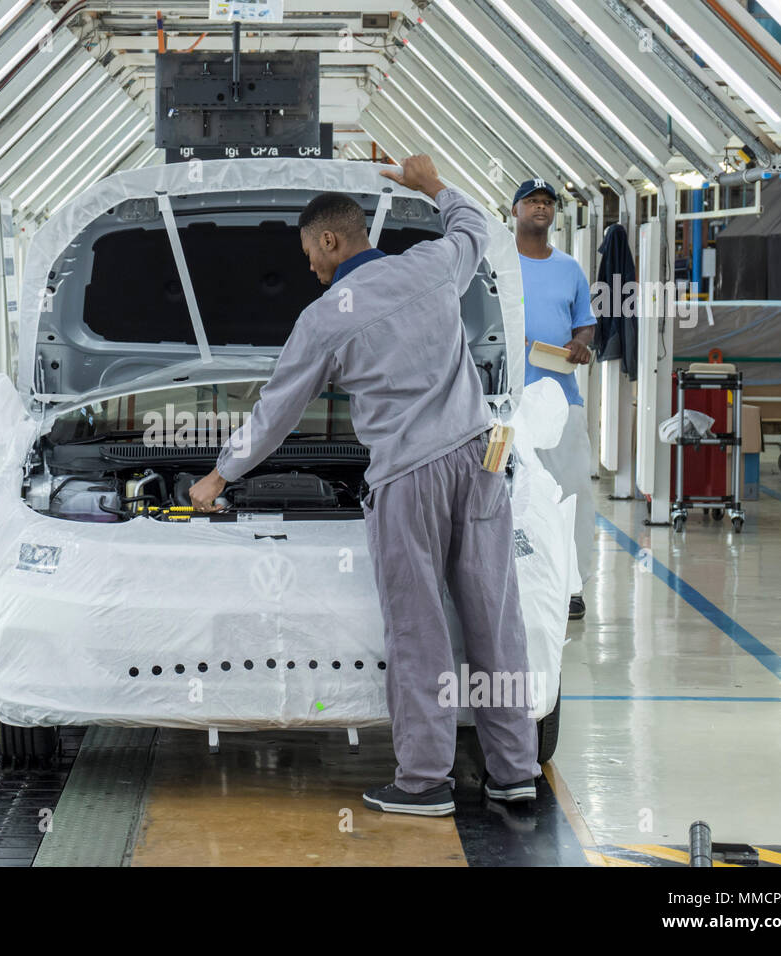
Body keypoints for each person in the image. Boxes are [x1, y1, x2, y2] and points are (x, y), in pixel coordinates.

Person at [188, 156, 540, 815]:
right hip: (482, 460)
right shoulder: (432, 265)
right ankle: (514, 770)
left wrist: (217, 475)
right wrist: (431, 182)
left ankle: (425, 781)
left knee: (420, 629)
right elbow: (475, 227)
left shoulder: (326, 319)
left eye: (309, 254)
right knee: (495, 619)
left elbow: (274, 416)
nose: (309, 270)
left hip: (411, 480)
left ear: (329, 240)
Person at [513, 178, 596, 620]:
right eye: (532, 201)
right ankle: (516, 582)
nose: (540, 208)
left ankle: (572, 586)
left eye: (547, 203)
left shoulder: (571, 270)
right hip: (508, 402)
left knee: (572, 494)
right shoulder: (498, 265)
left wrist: (581, 343)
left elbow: (585, 324)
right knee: (510, 496)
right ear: (515, 211)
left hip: (563, 401)